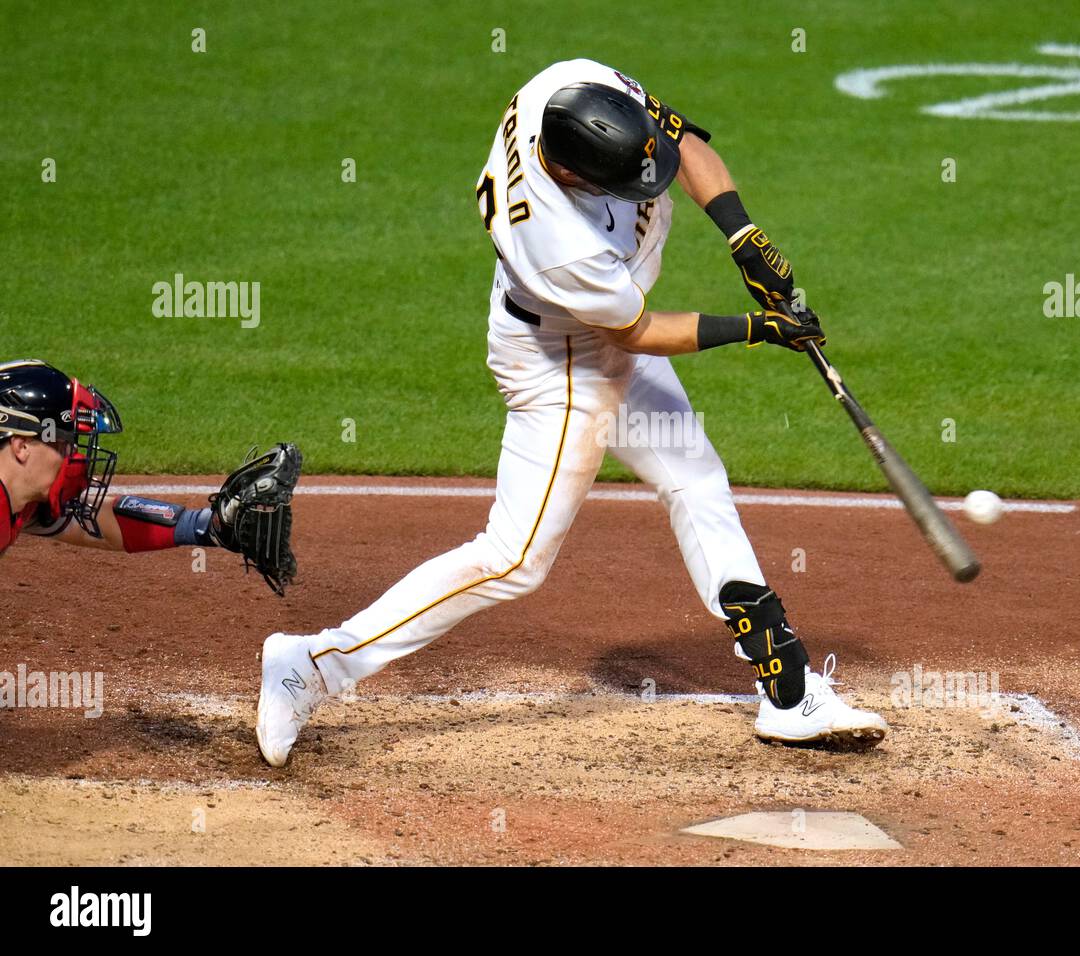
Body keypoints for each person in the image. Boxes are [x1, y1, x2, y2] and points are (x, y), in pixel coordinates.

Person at [255, 58, 887, 767]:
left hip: (605, 329)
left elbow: (684, 146)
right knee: (514, 557)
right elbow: (634, 333)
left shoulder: (579, 84)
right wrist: (754, 328)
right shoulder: (557, 244)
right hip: (562, 360)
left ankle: (789, 689)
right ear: (573, 176)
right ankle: (309, 664)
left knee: (696, 480)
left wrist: (743, 236)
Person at [0, 359, 300, 593]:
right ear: (22, 446)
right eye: (64, 443)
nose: (74, 458)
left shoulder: (21, 501)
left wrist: (208, 526)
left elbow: (92, 520)